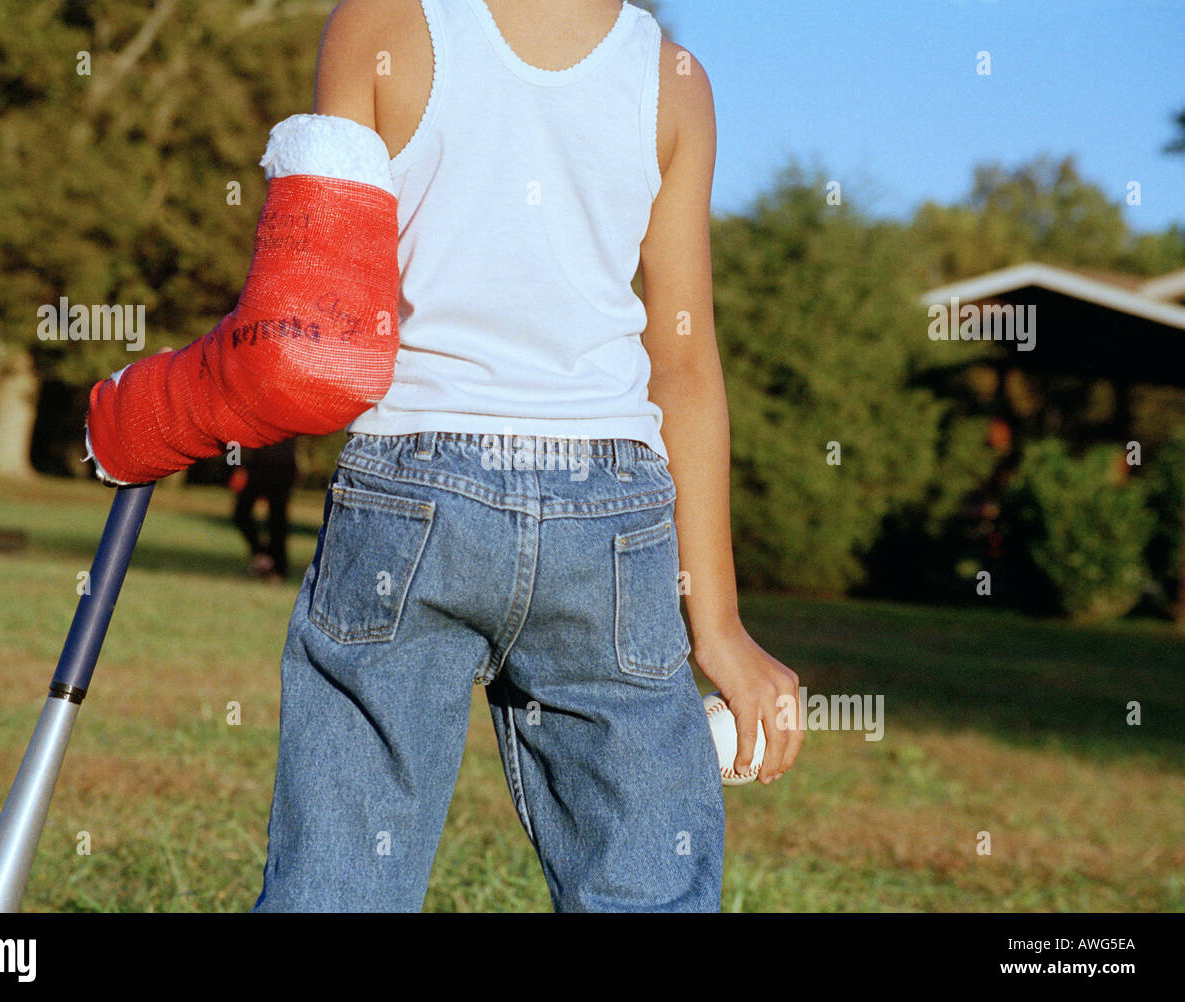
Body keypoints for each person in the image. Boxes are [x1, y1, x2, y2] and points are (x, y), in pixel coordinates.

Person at [252, 0, 802, 913]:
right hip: (611, 516)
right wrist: (720, 628)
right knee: (646, 884)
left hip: (410, 490)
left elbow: (317, 302)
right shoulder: (675, 82)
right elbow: (686, 363)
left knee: (340, 879)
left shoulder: (378, 26)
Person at [231, 439, 299, 581]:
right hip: (256, 464)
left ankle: (278, 570)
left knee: (277, 519)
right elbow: (235, 438)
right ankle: (264, 557)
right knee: (240, 513)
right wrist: (236, 465)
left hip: (282, 463)